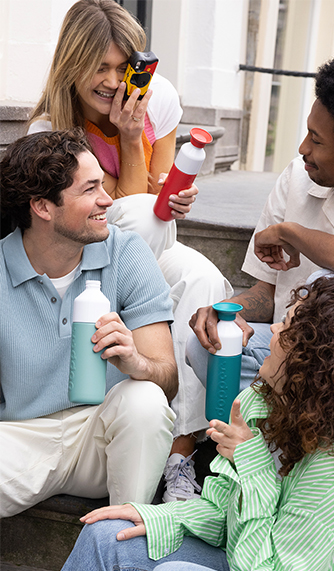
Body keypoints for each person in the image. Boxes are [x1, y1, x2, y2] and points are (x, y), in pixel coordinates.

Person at [28, 274, 334, 571]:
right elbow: (222, 512)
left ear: (313, 365)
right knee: (105, 538)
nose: (274, 331)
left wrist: (254, 464)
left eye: (288, 329)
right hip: (252, 566)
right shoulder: (258, 405)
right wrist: (160, 517)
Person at [26, 0, 232, 502]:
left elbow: (148, 201)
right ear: (71, 63)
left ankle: (181, 453)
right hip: (86, 259)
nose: (112, 80)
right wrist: (148, 198)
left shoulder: (154, 106)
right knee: (140, 213)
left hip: (142, 252)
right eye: (99, 66)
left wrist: (134, 139)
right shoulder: (49, 132)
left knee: (202, 278)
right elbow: (114, 213)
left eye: (123, 67)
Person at [186, 51, 334, 489]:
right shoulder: (298, 178)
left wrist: (293, 233)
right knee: (209, 347)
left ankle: (268, 467)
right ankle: (263, 461)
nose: (302, 149)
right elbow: (264, 293)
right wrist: (224, 311)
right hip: (286, 357)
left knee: (325, 308)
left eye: (317, 140)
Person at [0, 129, 175, 517]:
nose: (107, 200)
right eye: (90, 189)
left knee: (144, 400)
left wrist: (136, 363)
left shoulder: (127, 252)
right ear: (43, 207)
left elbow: (167, 378)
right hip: (19, 438)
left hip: (104, 437)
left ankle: (122, 543)